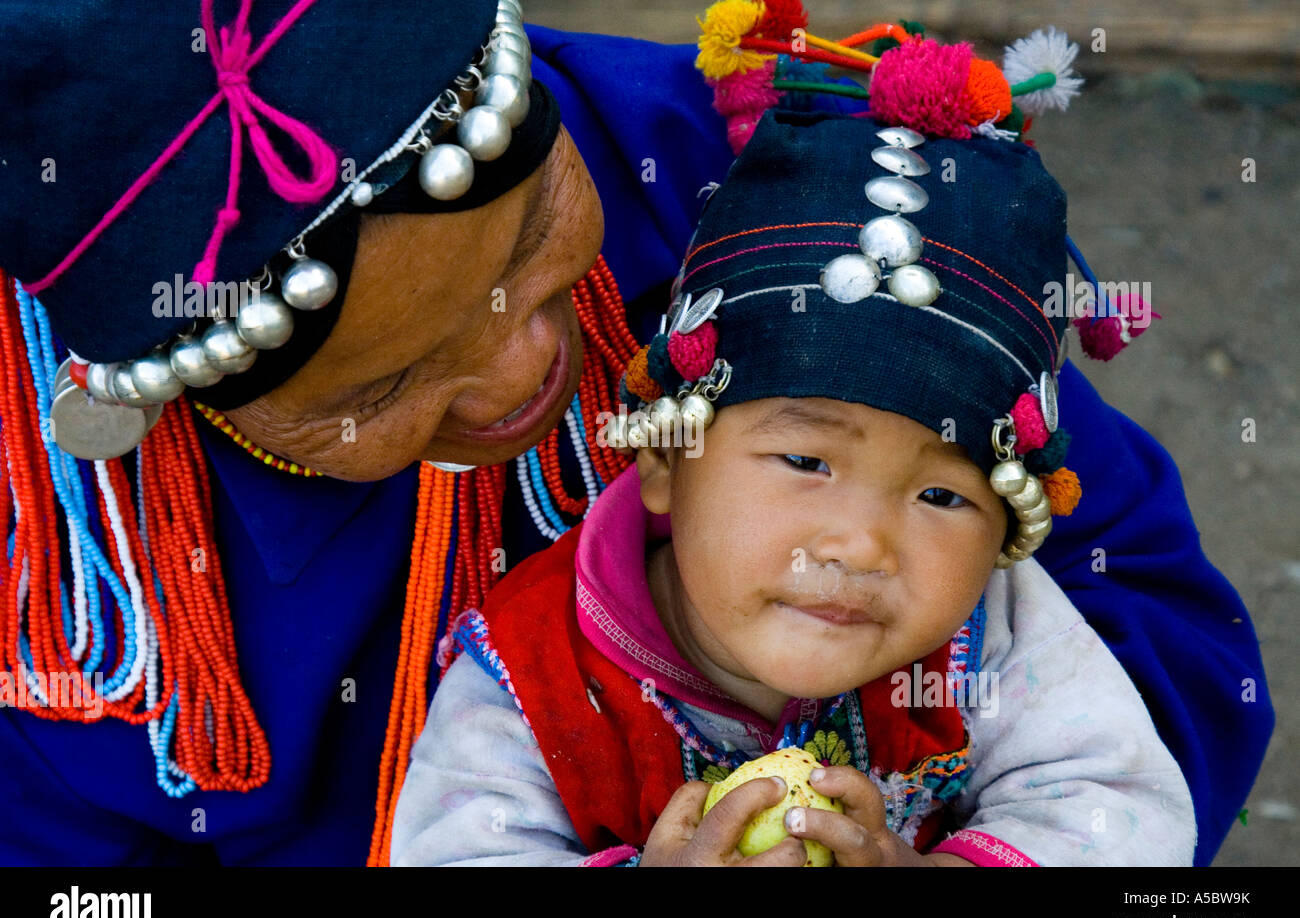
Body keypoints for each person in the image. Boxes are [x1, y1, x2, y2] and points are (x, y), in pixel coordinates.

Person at [0, 0, 1269, 866]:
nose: (529, 370)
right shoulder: (60, 556)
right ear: (150, 391)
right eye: (388, 382)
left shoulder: (791, 205)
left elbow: (1155, 630)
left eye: (531, 242)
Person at [387, 26, 1197, 865]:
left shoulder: (995, 631)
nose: (861, 544)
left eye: (943, 496)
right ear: (665, 456)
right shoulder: (528, 675)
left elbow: (1125, 812)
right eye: (807, 462)